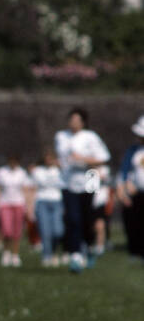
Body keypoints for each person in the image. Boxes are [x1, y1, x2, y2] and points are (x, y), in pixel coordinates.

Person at [55, 107, 110, 272]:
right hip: (68, 182)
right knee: (72, 218)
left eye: (76, 120)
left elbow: (103, 159)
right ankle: (75, 254)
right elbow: (61, 158)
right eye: (71, 120)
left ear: (83, 122)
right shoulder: (60, 136)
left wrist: (83, 160)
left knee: (87, 219)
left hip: (89, 178)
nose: (73, 123)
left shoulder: (90, 137)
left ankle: (89, 246)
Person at [0, 154, 34, 268]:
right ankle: (6, 252)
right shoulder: (2, 172)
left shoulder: (21, 173)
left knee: (17, 231)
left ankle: (15, 254)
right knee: (6, 230)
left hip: (18, 204)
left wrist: (28, 206)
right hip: (5, 203)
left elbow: (26, 189)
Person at [29, 148, 65, 267]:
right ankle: (46, 255)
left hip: (57, 201)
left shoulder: (60, 170)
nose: (49, 160)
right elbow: (33, 187)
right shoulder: (38, 171)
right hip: (42, 200)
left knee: (58, 230)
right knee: (45, 230)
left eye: (51, 158)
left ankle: (54, 251)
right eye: (47, 158)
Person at [116, 114, 144, 261]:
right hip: (136, 194)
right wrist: (122, 190)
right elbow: (124, 171)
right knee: (134, 223)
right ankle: (135, 251)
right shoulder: (133, 150)